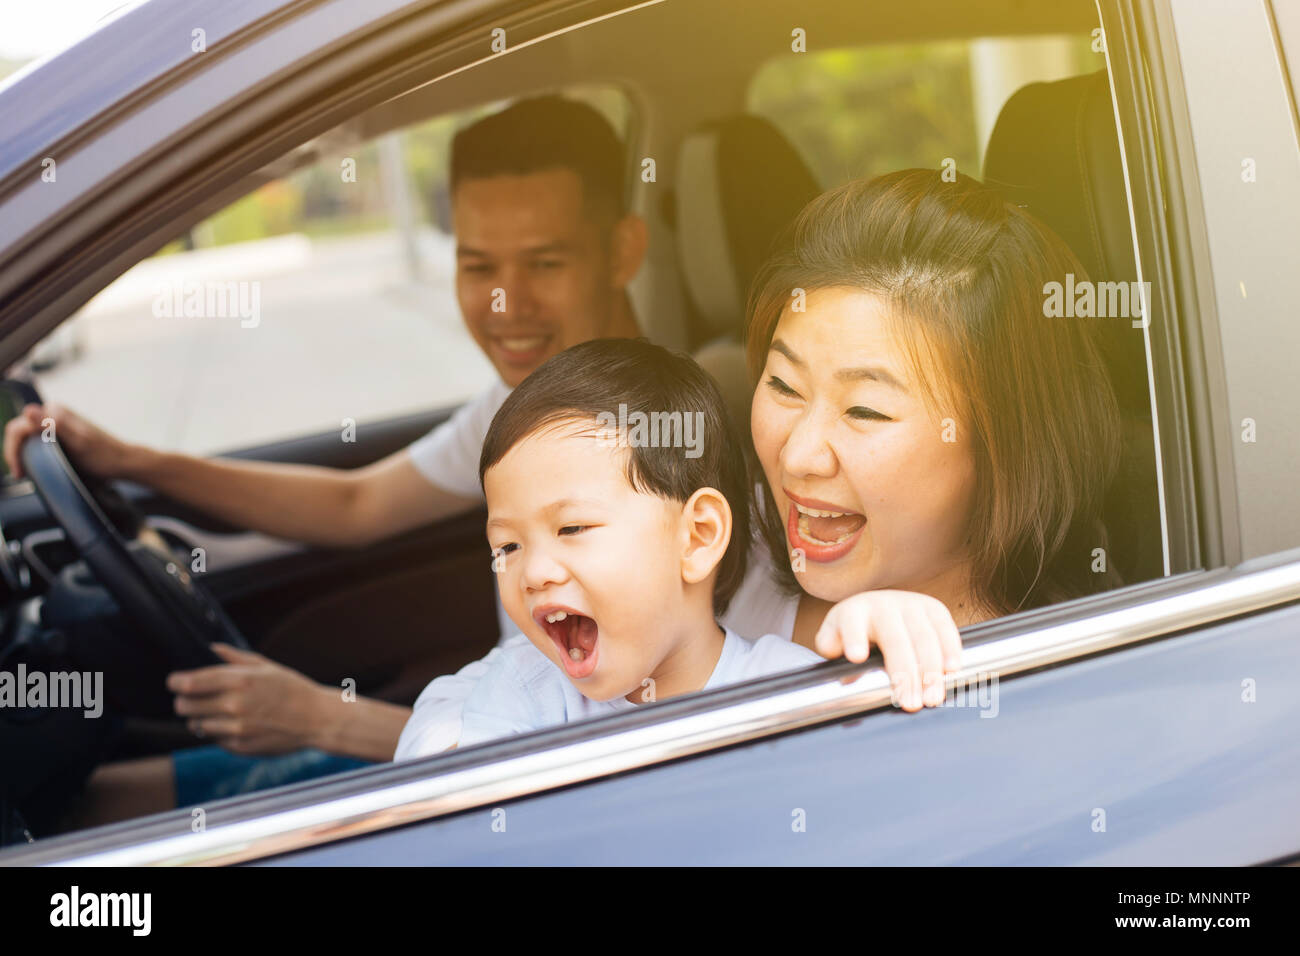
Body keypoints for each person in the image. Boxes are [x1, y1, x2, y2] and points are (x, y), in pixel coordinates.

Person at [5, 95, 651, 820]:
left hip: (540, 804)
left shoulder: (666, 462)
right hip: (481, 747)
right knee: (84, 809)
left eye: (545, 261)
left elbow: (600, 754)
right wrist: (131, 460)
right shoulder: (529, 409)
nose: (506, 302)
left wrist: (323, 717)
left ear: (624, 251)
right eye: (478, 265)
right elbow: (356, 505)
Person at [395, 167, 1122, 756]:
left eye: (865, 411)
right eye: (781, 385)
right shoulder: (711, 547)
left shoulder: (1021, 698)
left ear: (1003, 439)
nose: (797, 456)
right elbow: (526, 693)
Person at [450, 338, 823, 747]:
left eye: (572, 529)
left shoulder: (788, 690)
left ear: (698, 537)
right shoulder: (522, 695)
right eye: (508, 547)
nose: (534, 573)